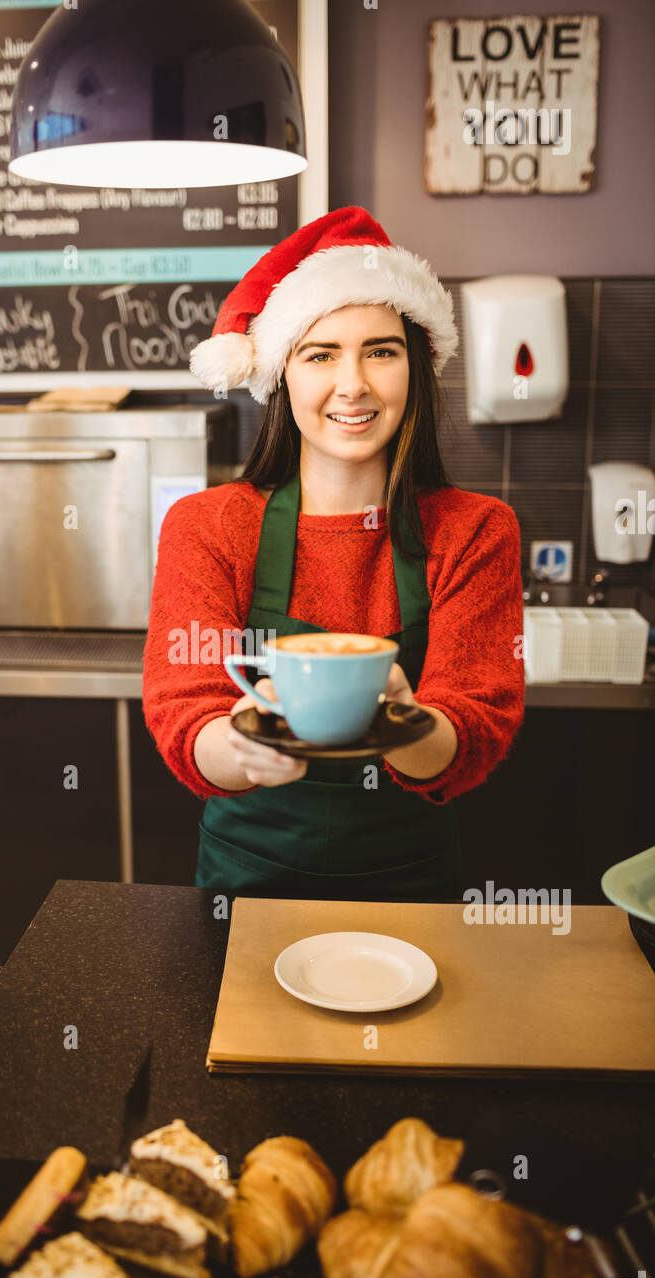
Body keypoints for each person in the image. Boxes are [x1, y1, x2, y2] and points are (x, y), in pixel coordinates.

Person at [142, 206, 524, 904]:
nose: (354, 384)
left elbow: (475, 729)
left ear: (417, 367)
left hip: (411, 891)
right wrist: (243, 750)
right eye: (321, 354)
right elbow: (185, 713)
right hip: (245, 889)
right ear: (283, 374)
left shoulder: (476, 531)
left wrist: (405, 723)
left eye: (381, 350)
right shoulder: (208, 527)